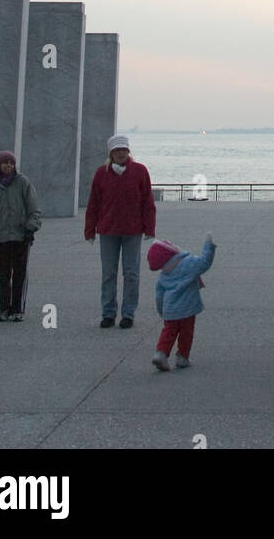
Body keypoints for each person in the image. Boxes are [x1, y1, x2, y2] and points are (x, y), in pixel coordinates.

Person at [84, 134, 155, 328]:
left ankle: (128, 314)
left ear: (128, 151)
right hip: (108, 230)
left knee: (131, 273)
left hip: (132, 231)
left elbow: (148, 201)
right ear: (111, 153)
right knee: (109, 273)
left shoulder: (140, 171)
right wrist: (89, 230)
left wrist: (150, 227)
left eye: (124, 150)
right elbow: (93, 204)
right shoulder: (101, 173)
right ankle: (108, 313)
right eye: (117, 150)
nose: (121, 153)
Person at [0, 151, 41, 322]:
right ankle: (3, 308)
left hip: (20, 234)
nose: (8, 165)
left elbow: (33, 207)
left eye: (11, 163)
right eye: (5, 163)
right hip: (1, 236)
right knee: (3, 274)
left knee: (19, 274)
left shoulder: (23, 182)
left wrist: (31, 227)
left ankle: (17, 308)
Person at [148, 234, 216, 371]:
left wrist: (161, 310)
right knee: (186, 333)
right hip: (187, 308)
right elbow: (205, 262)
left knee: (168, 332)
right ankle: (182, 357)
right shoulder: (188, 263)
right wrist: (208, 245)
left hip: (170, 310)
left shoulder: (163, 274)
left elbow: (159, 296)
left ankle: (161, 353)